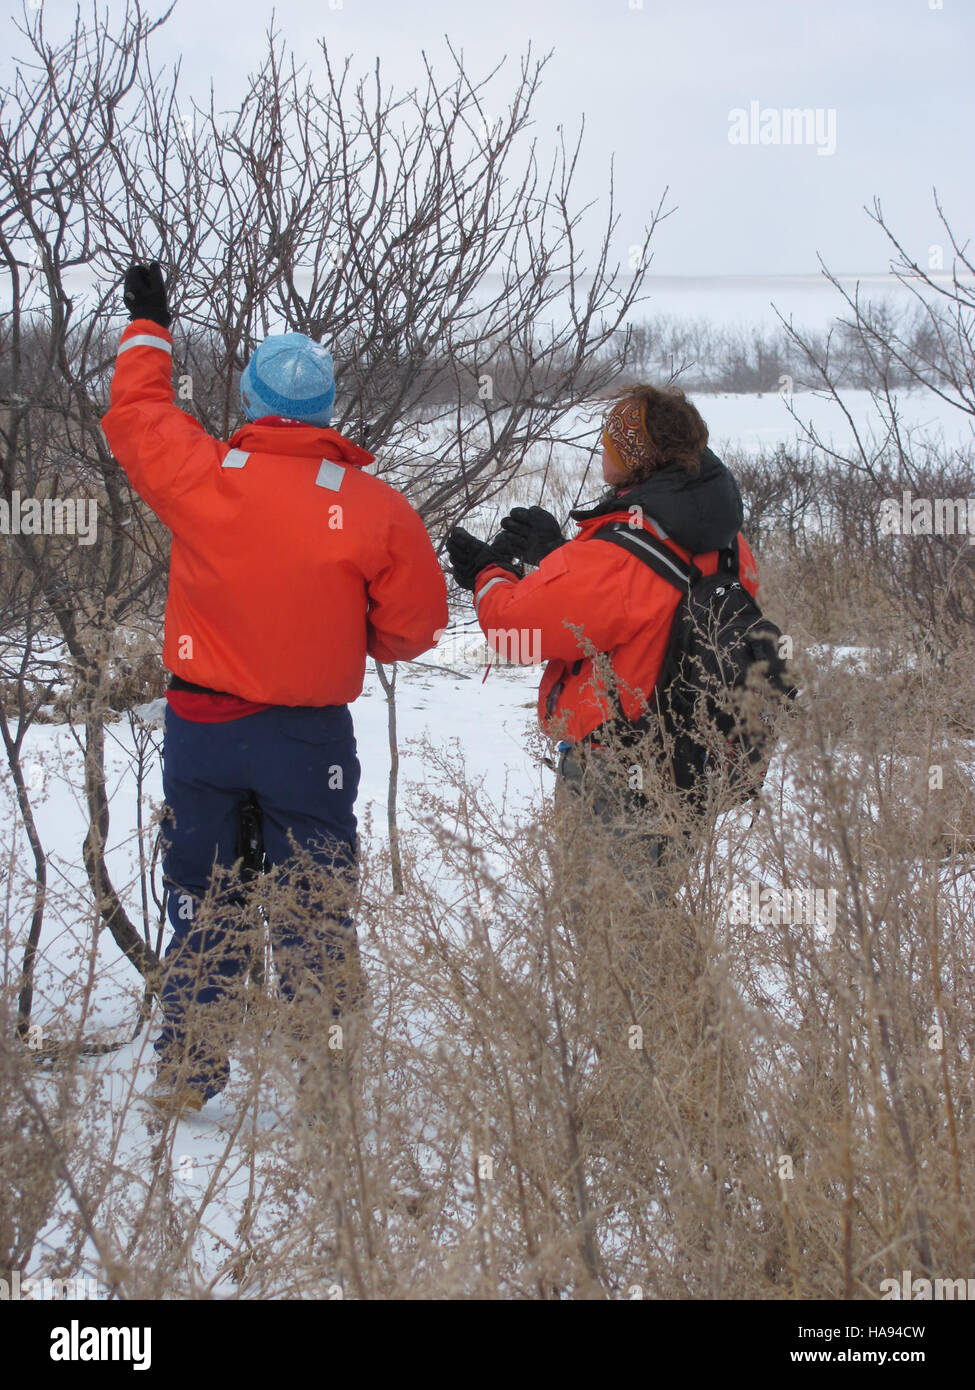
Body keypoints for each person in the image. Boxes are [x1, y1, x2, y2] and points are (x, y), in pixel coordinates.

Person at [102, 262, 448, 1113]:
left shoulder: (206, 475)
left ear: (254, 402)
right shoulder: (375, 509)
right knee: (315, 912)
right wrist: (333, 628)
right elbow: (413, 629)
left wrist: (149, 325)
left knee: (205, 902)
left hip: (202, 729)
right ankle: (328, 1084)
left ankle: (186, 1080)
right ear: (327, 411)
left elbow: (139, 417)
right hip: (309, 742)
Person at [445, 385, 760, 900]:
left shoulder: (618, 553)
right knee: (650, 912)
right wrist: (562, 557)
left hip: (617, 765)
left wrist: (488, 574)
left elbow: (515, 632)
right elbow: (646, 610)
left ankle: (656, 984)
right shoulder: (723, 538)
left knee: (608, 930)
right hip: (693, 760)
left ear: (633, 457)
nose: (602, 449)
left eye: (611, 441)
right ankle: (684, 983)